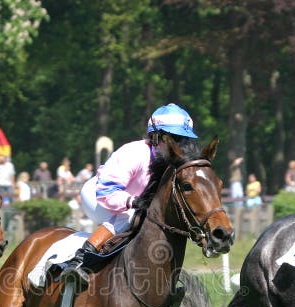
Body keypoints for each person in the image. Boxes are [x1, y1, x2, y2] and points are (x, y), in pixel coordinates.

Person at [57, 103, 198, 283]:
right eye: (176, 139)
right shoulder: (134, 153)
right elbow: (106, 191)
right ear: (156, 137)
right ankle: (78, 260)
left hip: (128, 200)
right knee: (132, 215)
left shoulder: (173, 163)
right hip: (98, 197)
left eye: (184, 141)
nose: (181, 147)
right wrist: (133, 201)